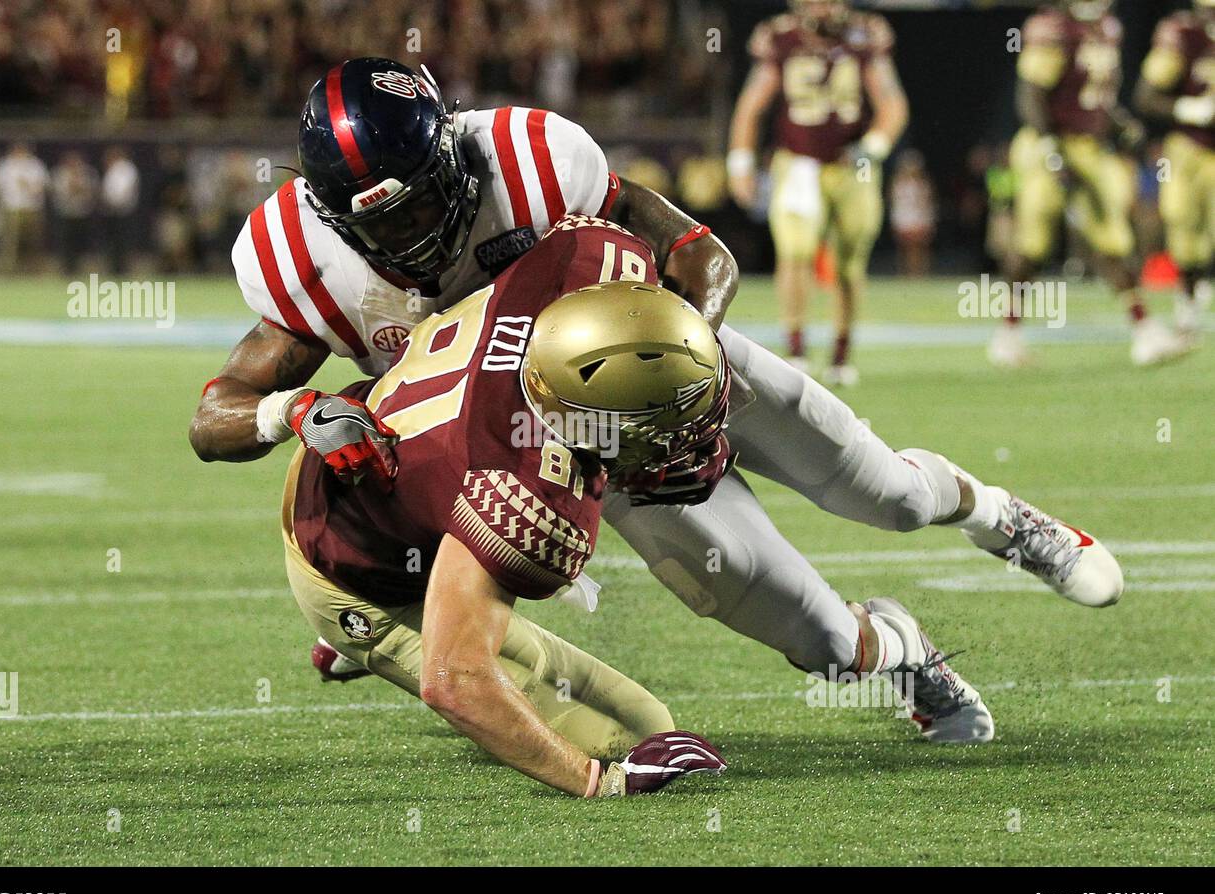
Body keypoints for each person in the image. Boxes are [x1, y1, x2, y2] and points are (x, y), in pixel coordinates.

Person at [191, 58, 1125, 748]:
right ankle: (903, 656)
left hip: (666, 362)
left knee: (889, 495)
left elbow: (701, 254)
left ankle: (1005, 519)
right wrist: (289, 416)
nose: (415, 230)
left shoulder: (530, 158)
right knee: (815, 637)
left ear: (451, 151)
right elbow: (217, 412)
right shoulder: (304, 268)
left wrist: (687, 355)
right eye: (380, 220)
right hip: (585, 455)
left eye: (425, 197)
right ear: (328, 214)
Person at [280, 217, 727, 797]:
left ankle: (403, 607)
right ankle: (360, 636)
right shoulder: (519, 496)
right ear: (602, 423)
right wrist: (599, 782)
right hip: (347, 562)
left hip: (378, 452)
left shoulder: (584, 261)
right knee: (642, 729)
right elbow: (454, 680)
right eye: (661, 424)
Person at [993, 0, 1194, 368]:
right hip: (1047, 145)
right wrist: (1053, 150)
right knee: (1032, 244)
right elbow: (1030, 94)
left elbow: (1093, 98)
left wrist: (1118, 123)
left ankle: (1145, 332)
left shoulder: (1106, 29)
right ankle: (1007, 335)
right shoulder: (1051, 29)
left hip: (1090, 148)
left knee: (1112, 238)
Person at [726, 0, 908, 386]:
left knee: (849, 261)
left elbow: (892, 104)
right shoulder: (781, 37)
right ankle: (796, 349)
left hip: (852, 164)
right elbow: (751, 106)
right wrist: (740, 162)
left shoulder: (864, 35)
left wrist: (870, 149)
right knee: (795, 253)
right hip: (798, 165)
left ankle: (842, 354)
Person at [1134, 0, 1215, 341]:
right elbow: (1146, 97)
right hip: (1190, 149)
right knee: (1183, 226)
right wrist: (1189, 108)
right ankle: (1188, 308)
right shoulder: (1182, 34)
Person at [0, 142, 48, 273]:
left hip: (32, 208)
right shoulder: (5, 165)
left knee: (34, 242)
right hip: (12, 208)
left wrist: (29, 187)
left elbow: (43, 186)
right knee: (10, 243)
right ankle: (7, 271)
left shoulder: (35, 165)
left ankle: (34, 270)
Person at [50, 151, 99, 275]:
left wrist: (80, 188)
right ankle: (66, 269)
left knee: (82, 244)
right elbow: (58, 193)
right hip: (65, 213)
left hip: (82, 214)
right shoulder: (59, 174)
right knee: (65, 244)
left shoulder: (88, 173)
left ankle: (83, 268)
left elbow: (92, 192)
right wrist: (73, 188)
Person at [890, 149, 936, 277]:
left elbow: (927, 201)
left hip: (919, 216)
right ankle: (905, 272)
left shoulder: (923, 183)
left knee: (920, 247)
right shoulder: (897, 183)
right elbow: (893, 200)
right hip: (903, 217)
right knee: (903, 247)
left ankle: (920, 272)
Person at [101, 146, 139, 274]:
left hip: (123, 212)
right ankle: (115, 269)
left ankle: (122, 270)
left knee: (123, 243)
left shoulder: (126, 169)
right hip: (112, 212)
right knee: (113, 244)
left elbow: (125, 191)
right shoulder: (112, 170)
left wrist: (114, 203)